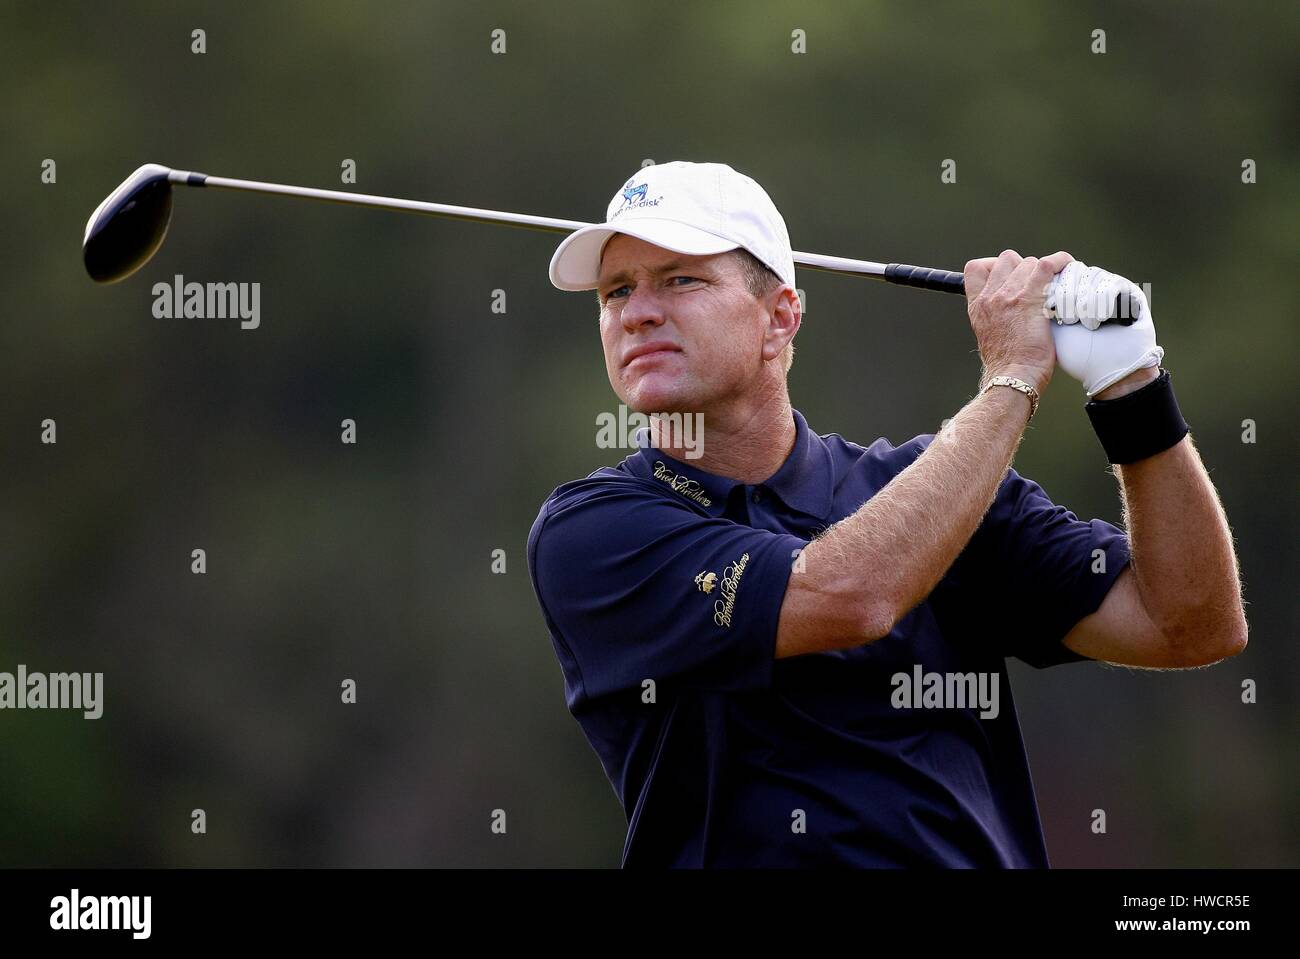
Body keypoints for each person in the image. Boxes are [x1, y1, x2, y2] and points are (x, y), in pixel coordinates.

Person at [526, 160, 1248, 867]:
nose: (638, 312)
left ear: (780, 317)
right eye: (616, 291)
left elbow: (1189, 623)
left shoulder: (943, 488)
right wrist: (1012, 376)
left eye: (680, 279)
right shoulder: (592, 531)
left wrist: (1132, 386)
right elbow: (852, 595)